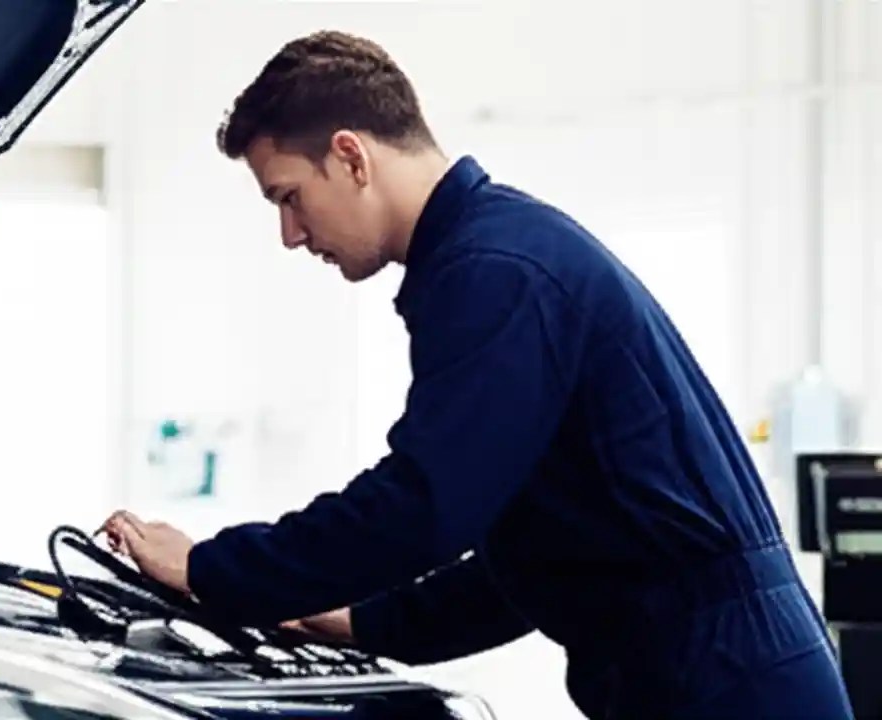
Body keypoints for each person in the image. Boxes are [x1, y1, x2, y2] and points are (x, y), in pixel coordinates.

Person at [102, 30, 854, 720]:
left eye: (289, 198)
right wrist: (360, 620)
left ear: (352, 156)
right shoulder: (494, 253)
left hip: (726, 683)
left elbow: (424, 506)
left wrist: (212, 567)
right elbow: (527, 566)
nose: (291, 235)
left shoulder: (496, 272)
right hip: (718, 672)